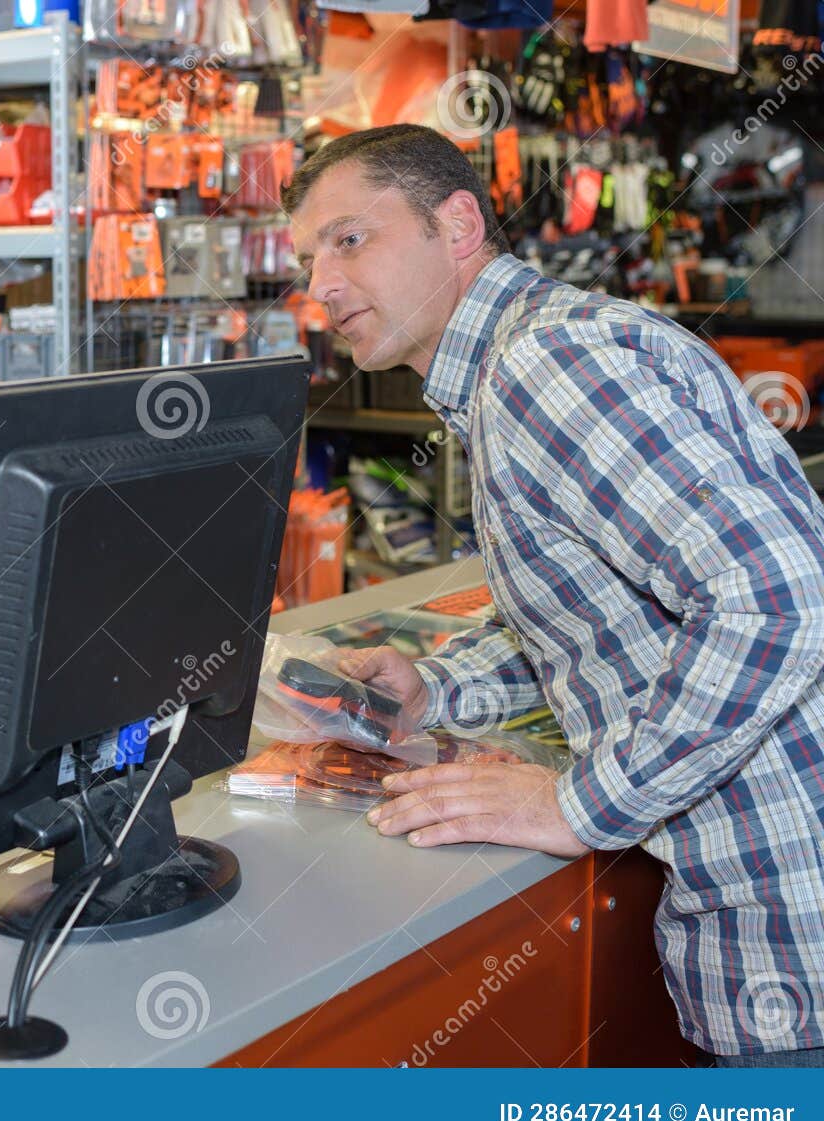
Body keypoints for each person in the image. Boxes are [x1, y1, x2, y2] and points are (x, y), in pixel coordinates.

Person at [284, 123, 824, 1066]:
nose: (321, 285)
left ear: (457, 225)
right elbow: (604, 605)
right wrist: (434, 689)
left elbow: (776, 597)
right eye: (306, 257)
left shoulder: (547, 367)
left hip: (793, 930)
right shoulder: (525, 360)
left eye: (349, 239)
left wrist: (580, 806)